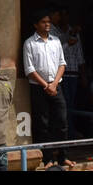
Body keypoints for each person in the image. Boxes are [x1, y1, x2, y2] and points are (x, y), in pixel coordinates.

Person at [23, 9, 71, 168]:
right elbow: (29, 70)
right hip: (39, 88)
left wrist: (54, 84)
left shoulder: (56, 41)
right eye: (44, 22)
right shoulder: (29, 43)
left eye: (49, 22)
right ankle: (47, 158)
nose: (47, 24)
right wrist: (46, 86)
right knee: (42, 124)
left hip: (56, 86)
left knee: (62, 121)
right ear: (36, 24)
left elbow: (62, 64)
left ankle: (63, 157)